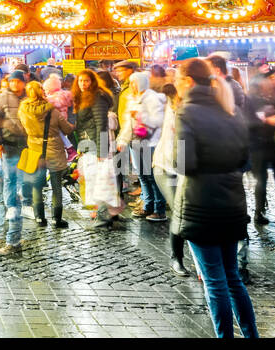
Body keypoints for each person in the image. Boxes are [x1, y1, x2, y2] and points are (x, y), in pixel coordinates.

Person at [175, 58, 257, 339]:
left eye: (177, 79)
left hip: (201, 205)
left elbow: (184, 164)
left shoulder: (187, 112)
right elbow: (245, 160)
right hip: (232, 202)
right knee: (232, 278)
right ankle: (251, 335)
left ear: (188, 81)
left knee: (214, 281)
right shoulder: (230, 110)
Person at [19, 81, 74, 228]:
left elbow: (22, 129)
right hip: (54, 150)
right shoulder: (52, 111)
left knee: (37, 185)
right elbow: (67, 129)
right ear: (42, 92)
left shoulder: (23, 110)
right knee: (56, 185)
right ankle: (57, 219)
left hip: (34, 150)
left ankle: (39, 218)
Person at [0, 73, 28, 254]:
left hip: (26, 149)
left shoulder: (29, 97)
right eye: (12, 81)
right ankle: (5, 236)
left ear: (23, 82)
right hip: (7, 149)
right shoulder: (2, 98)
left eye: (18, 81)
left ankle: (12, 238)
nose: (14, 84)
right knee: (5, 193)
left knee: (16, 194)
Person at [118, 72, 168, 221]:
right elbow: (128, 124)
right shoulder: (132, 99)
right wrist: (122, 140)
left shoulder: (152, 98)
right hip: (135, 142)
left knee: (152, 176)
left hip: (150, 142)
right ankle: (147, 205)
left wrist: (141, 117)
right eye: (131, 83)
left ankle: (159, 209)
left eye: (135, 82)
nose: (132, 86)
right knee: (142, 176)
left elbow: (159, 121)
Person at [73, 70, 118, 230]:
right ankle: (105, 215)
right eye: (80, 81)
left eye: (86, 81)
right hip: (89, 145)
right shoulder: (85, 97)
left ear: (93, 81)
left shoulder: (97, 97)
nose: (83, 84)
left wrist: (101, 151)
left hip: (96, 146)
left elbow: (101, 126)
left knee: (100, 182)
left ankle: (103, 219)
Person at [153, 81, 189, 275]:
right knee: (178, 210)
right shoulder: (167, 107)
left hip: (186, 168)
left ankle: (202, 260)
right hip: (164, 166)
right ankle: (177, 258)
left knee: (189, 213)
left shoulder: (193, 112)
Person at [246, 59, 275, 224]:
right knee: (261, 178)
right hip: (258, 143)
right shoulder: (251, 98)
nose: (271, 82)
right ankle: (259, 209)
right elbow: (248, 120)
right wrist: (266, 119)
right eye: (269, 79)